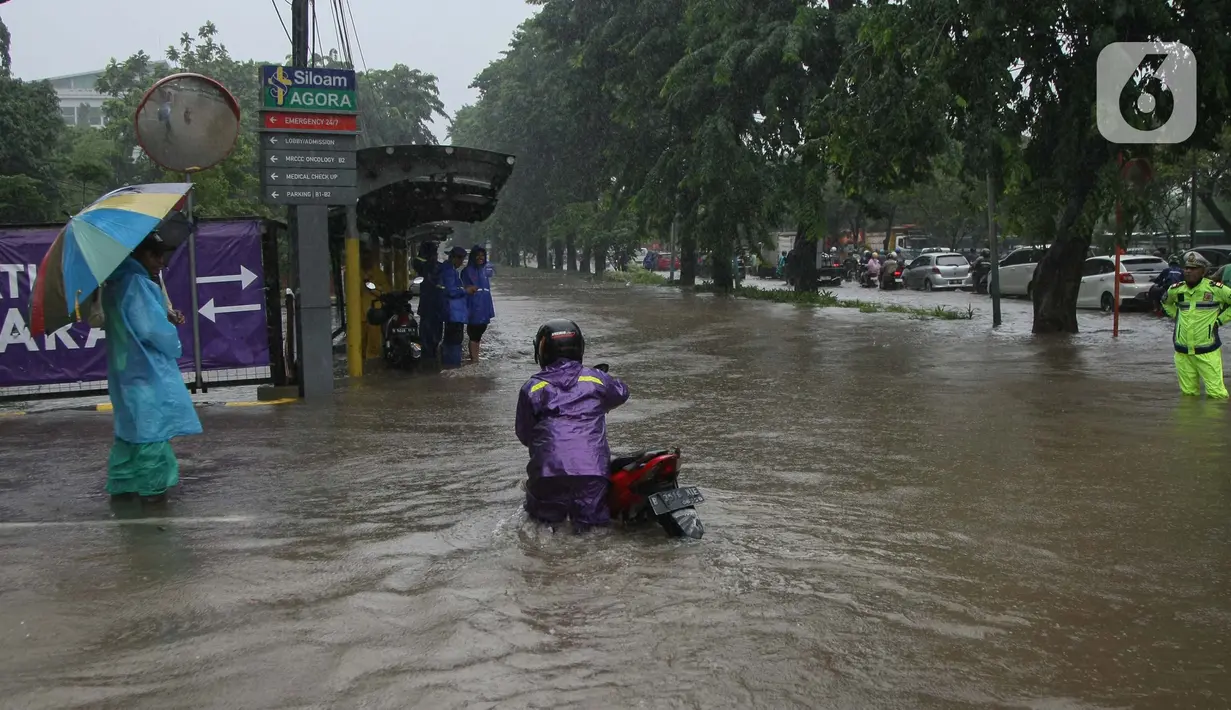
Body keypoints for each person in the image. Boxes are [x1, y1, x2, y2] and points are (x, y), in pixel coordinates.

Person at [102, 235, 202, 504]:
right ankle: (153, 492)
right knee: (151, 430)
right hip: (145, 370)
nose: (160, 261)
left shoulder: (115, 283)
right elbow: (152, 330)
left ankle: (123, 486)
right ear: (137, 255)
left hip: (125, 371)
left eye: (161, 255)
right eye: (153, 255)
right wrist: (172, 338)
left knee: (129, 431)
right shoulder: (137, 283)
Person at [515, 320, 630, 530]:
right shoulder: (596, 380)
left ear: (541, 350)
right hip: (592, 471)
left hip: (547, 473)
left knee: (542, 526)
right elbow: (621, 393)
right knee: (593, 530)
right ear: (579, 347)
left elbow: (525, 434)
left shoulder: (532, 388)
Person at [1161, 251, 1231, 399]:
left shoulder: (1215, 289)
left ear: (1203, 272)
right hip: (1182, 351)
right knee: (1188, 395)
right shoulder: (1176, 289)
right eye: (1186, 268)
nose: (1188, 271)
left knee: (1217, 395)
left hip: (1207, 350)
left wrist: (1219, 321)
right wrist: (1177, 316)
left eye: (1193, 268)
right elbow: (1165, 302)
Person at [437, 246, 476, 368]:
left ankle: (450, 365)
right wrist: (466, 290)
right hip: (453, 314)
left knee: (452, 341)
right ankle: (452, 366)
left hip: (454, 313)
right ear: (454, 258)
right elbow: (451, 291)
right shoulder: (449, 271)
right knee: (454, 342)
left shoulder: (451, 270)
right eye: (460, 259)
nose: (461, 262)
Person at [461, 245, 495, 362]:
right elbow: (464, 289)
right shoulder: (467, 271)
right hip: (474, 306)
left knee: (479, 332)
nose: (481, 258)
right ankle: (474, 360)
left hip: (485, 305)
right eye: (478, 255)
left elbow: (492, 270)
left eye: (483, 255)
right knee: (474, 333)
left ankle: (475, 358)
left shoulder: (485, 270)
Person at [359, 243, 391, 361]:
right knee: (359, 344)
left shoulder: (378, 273)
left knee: (374, 344)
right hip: (358, 315)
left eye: (368, 257)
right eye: (364, 257)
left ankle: (372, 363)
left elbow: (386, 290)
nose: (366, 260)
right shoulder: (353, 273)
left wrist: (373, 287)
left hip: (374, 314)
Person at [413, 241, 442, 362]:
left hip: (437, 306)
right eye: (434, 252)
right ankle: (427, 355)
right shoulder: (423, 265)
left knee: (436, 332)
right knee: (426, 332)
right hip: (427, 305)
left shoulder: (438, 267)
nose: (435, 255)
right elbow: (416, 263)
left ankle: (432, 354)